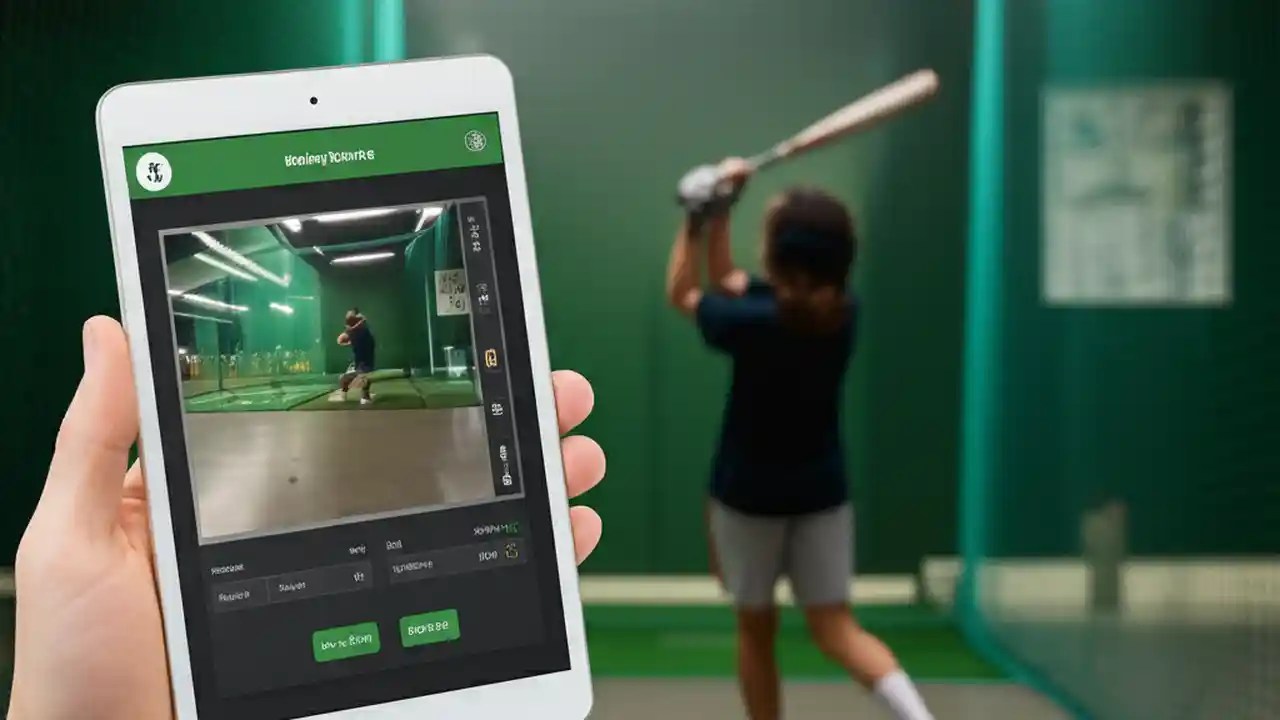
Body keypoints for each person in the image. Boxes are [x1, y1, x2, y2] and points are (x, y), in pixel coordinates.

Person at [8, 316, 606, 719]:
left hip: (364, 366)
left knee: (359, 379)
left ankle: (359, 392)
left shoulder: (361, 333)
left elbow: (352, 337)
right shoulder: (358, 333)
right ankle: (358, 391)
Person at [667, 157, 935, 720]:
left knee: (755, 629)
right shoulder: (843, 311)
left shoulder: (753, 322)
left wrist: (695, 216)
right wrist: (725, 207)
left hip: (747, 498)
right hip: (821, 495)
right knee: (836, 626)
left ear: (781, 257)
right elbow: (729, 280)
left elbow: (684, 290)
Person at [337, 307, 376, 405]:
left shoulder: (363, 330)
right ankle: (345, 394)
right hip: (359, 362)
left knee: (364, 377)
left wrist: (352, 331)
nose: (348, 316)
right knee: (345, 379)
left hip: (366, 363)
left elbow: (343, 339)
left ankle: (365, 396)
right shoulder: (353, 331)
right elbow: (340, 340)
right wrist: (350, 341)